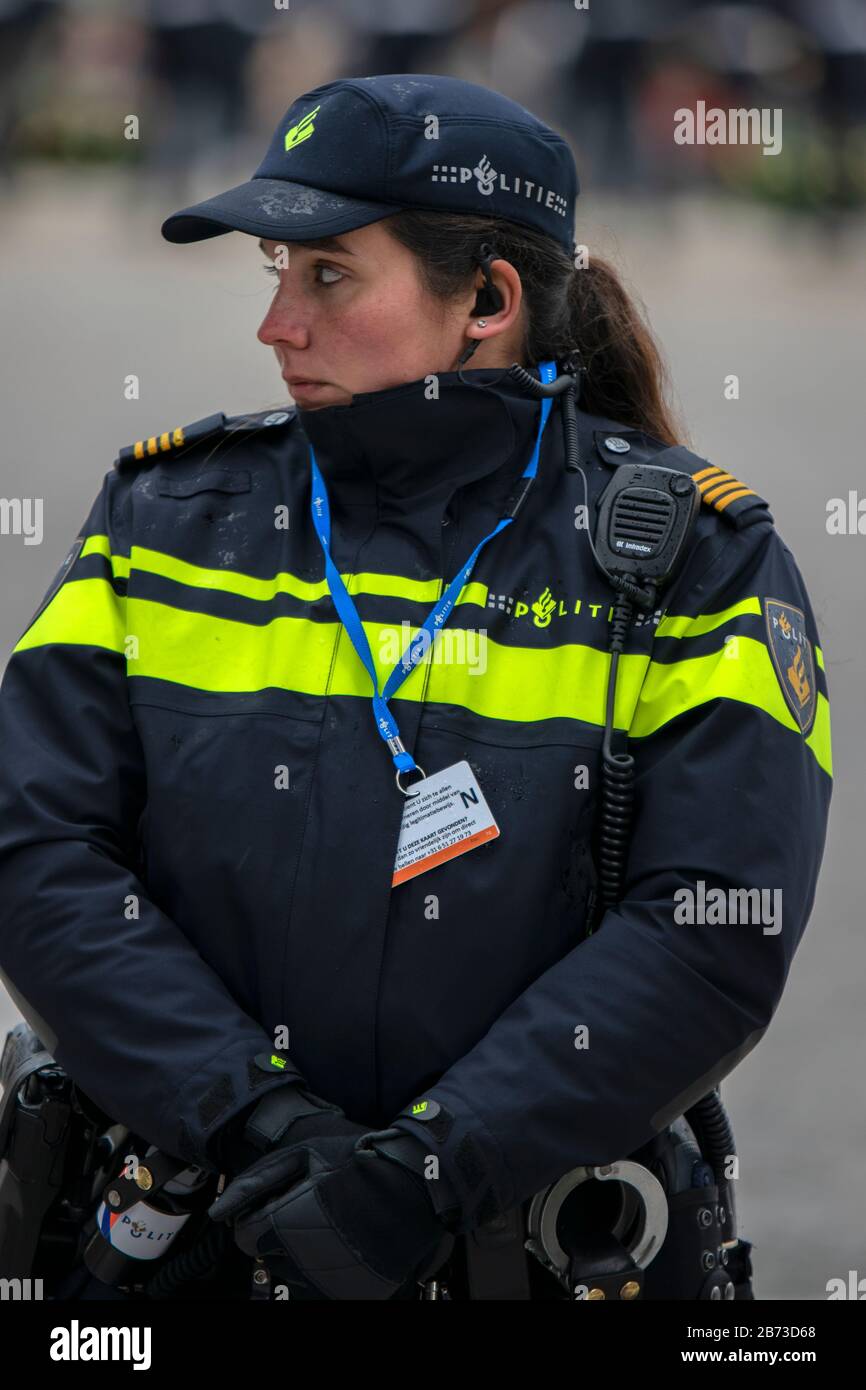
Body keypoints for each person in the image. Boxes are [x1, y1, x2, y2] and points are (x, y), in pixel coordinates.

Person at [0, 74, 832, 1302]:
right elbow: (37, 847)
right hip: (186, 1250)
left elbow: (711, 923)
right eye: (275, 271)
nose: (276, 324)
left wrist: (433, 1170)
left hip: (534, 1258)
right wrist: (254, 1124)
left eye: (327, 274)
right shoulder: (166, 520)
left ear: (487, 301)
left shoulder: (697, 562)